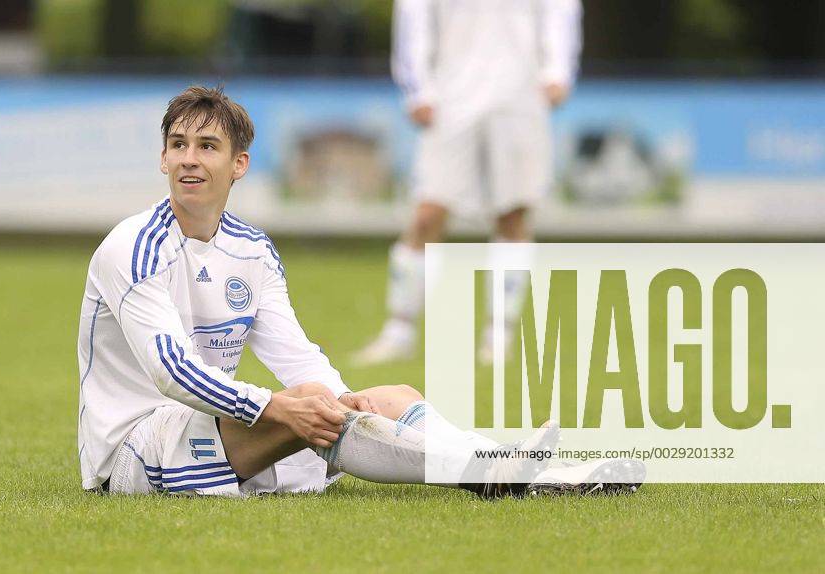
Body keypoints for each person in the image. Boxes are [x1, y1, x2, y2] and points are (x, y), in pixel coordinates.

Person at [76, 86, 641, 498]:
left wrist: (341, 398)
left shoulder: (253, 251)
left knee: (388, 396)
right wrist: (279, 405)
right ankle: (490, 468)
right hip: (134, 449)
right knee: (320, 416)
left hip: (222, 430)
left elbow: (295, 355)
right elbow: (169, 371)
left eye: (207, 146)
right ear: (163, 158)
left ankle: (538, 475)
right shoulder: (135, 246)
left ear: (239, 164)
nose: (189, 159)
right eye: (178, 145)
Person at [354, 0, 584, 365]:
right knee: (428, 214)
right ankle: (399, 331)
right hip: (453, 95)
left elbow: (559, 9)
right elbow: (414, 15)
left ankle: (499, 335)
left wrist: (559, 71)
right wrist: (418, 88)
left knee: (512, 214)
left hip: (520, 95)